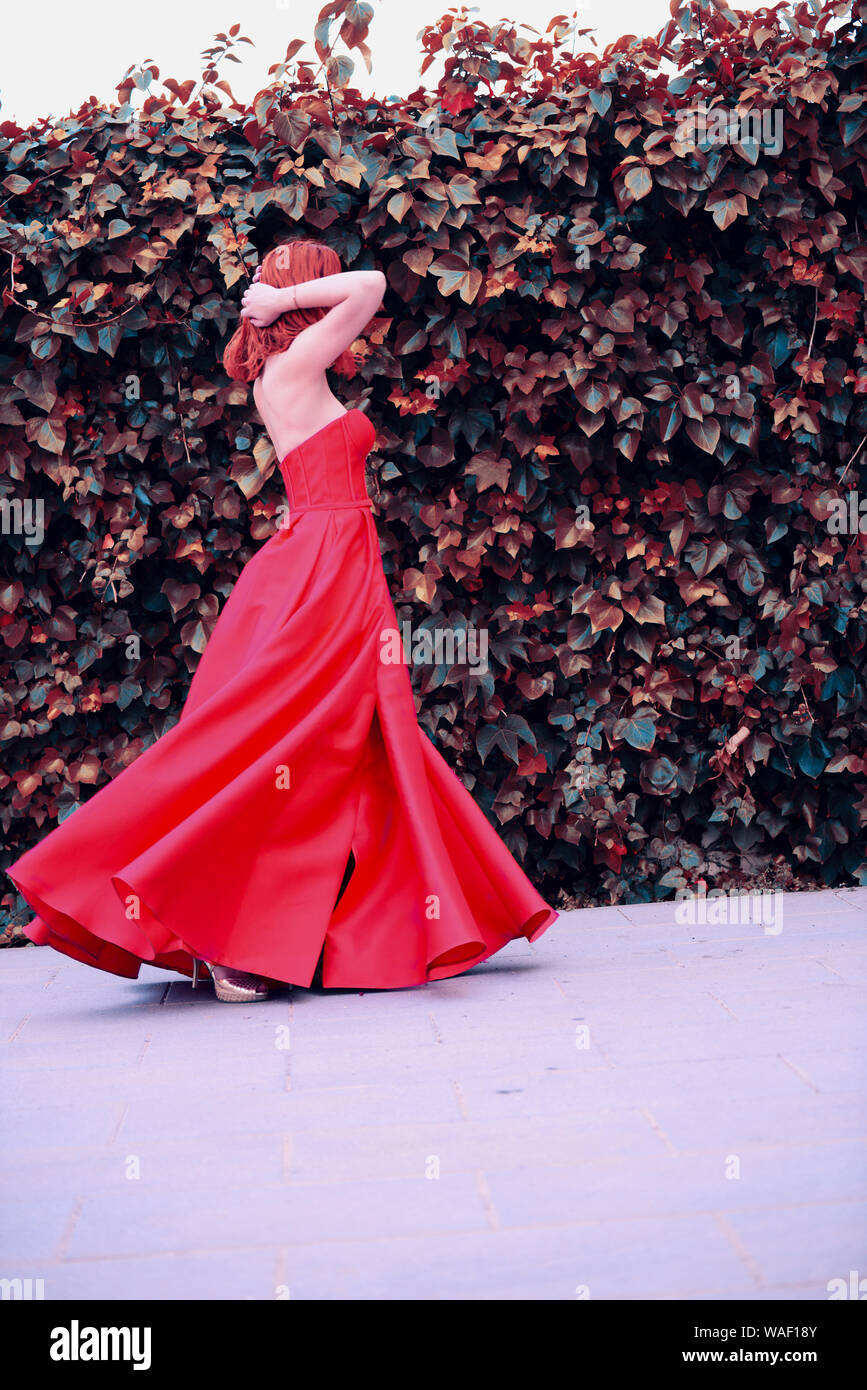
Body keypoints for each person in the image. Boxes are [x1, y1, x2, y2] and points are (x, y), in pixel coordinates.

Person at [7, 237, 558, 1002]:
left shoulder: (274, 373)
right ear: (301, 295)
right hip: (330, 557)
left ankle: (295, 931)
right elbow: (369, 289)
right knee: (311, 735)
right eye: (311, 285)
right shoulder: (296, 363)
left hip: (317, 552)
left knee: (345, 735)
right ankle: (239, 944)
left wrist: (281, 301)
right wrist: (283, 301)